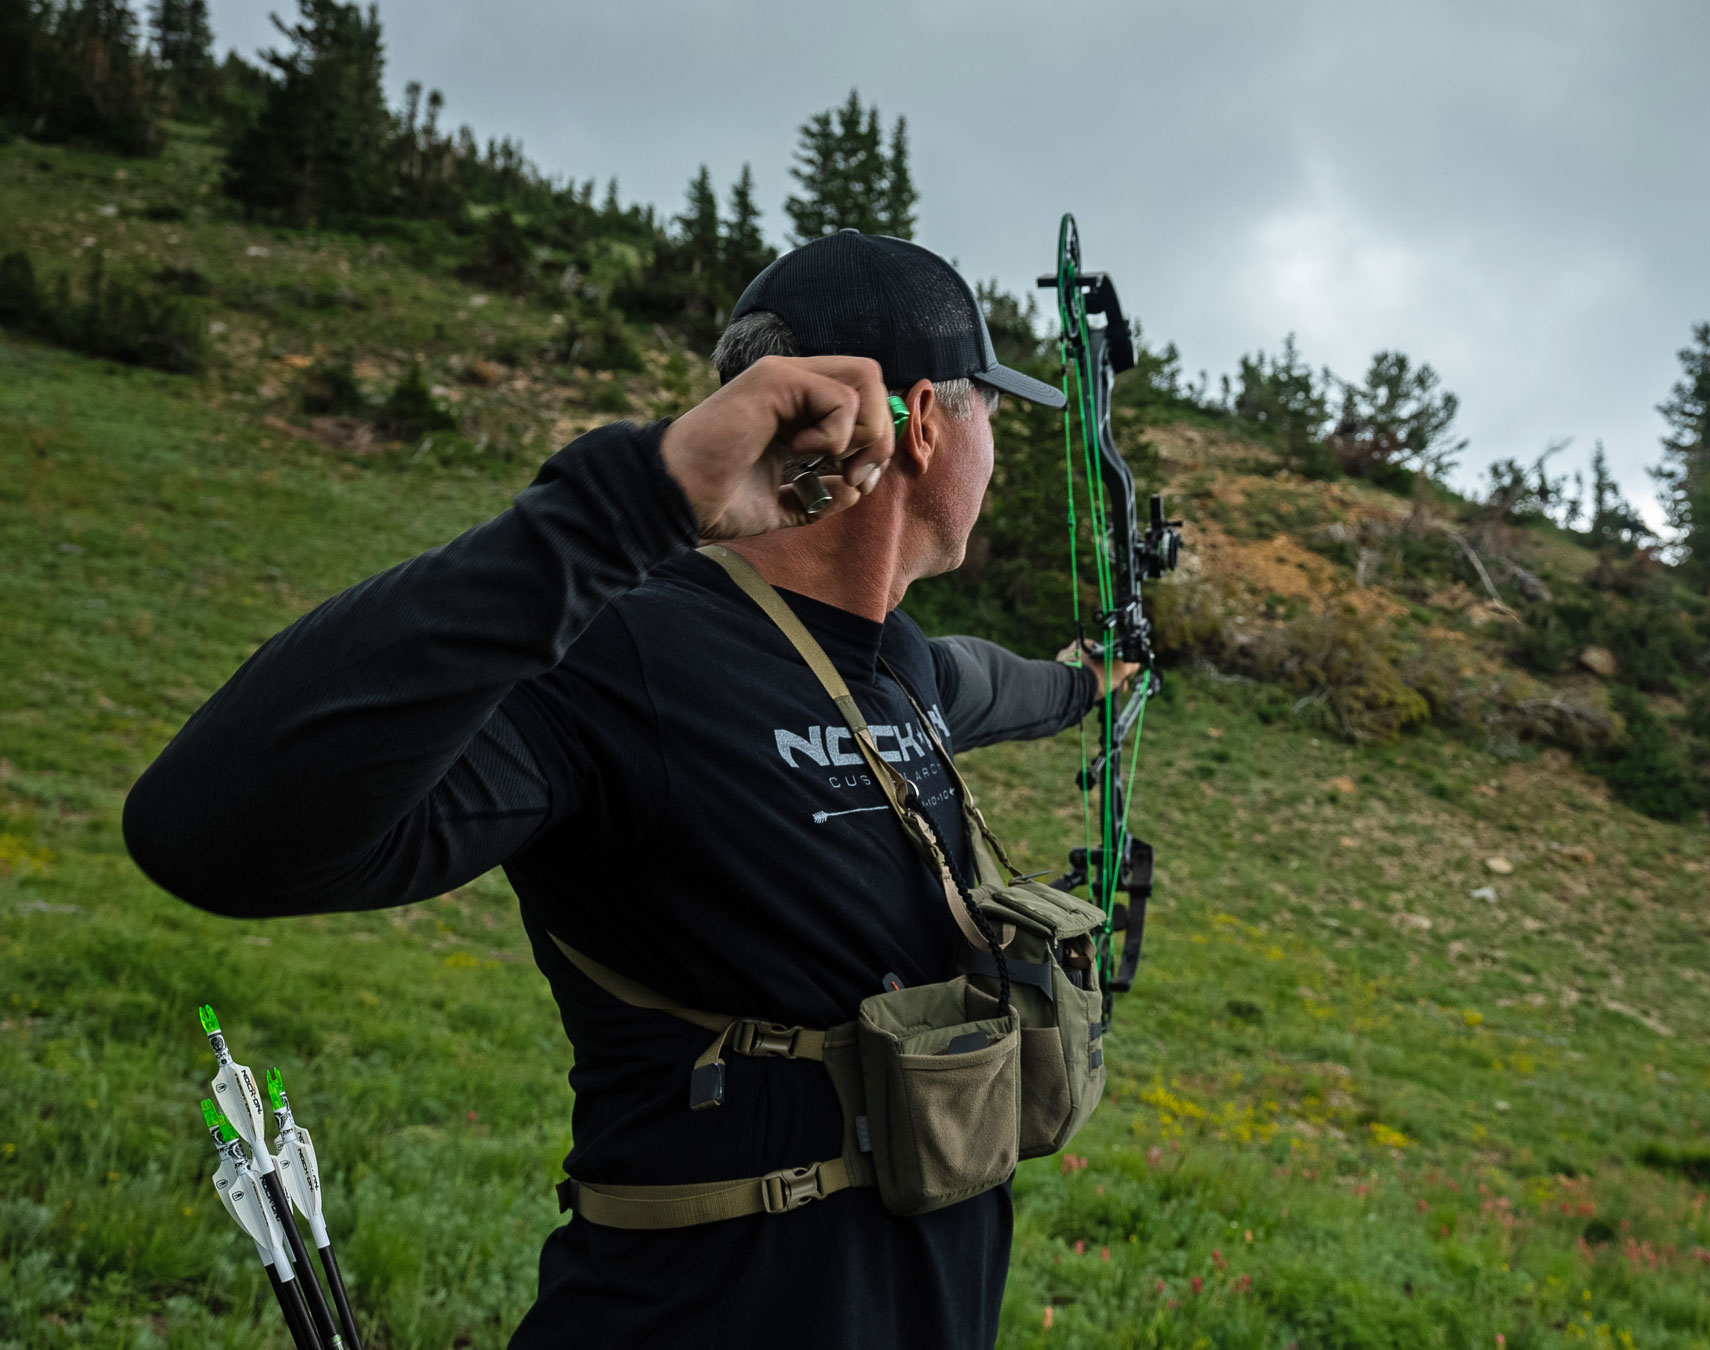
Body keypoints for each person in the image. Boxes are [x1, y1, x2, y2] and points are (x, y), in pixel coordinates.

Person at [123, 231, 1138, 1347]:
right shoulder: (623, 656)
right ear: (931, 423)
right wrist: (632, 502)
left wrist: (1093, 681)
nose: (995, 448)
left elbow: (997, 686)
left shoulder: (904, 661)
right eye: (991, 413)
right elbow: (201, 831)